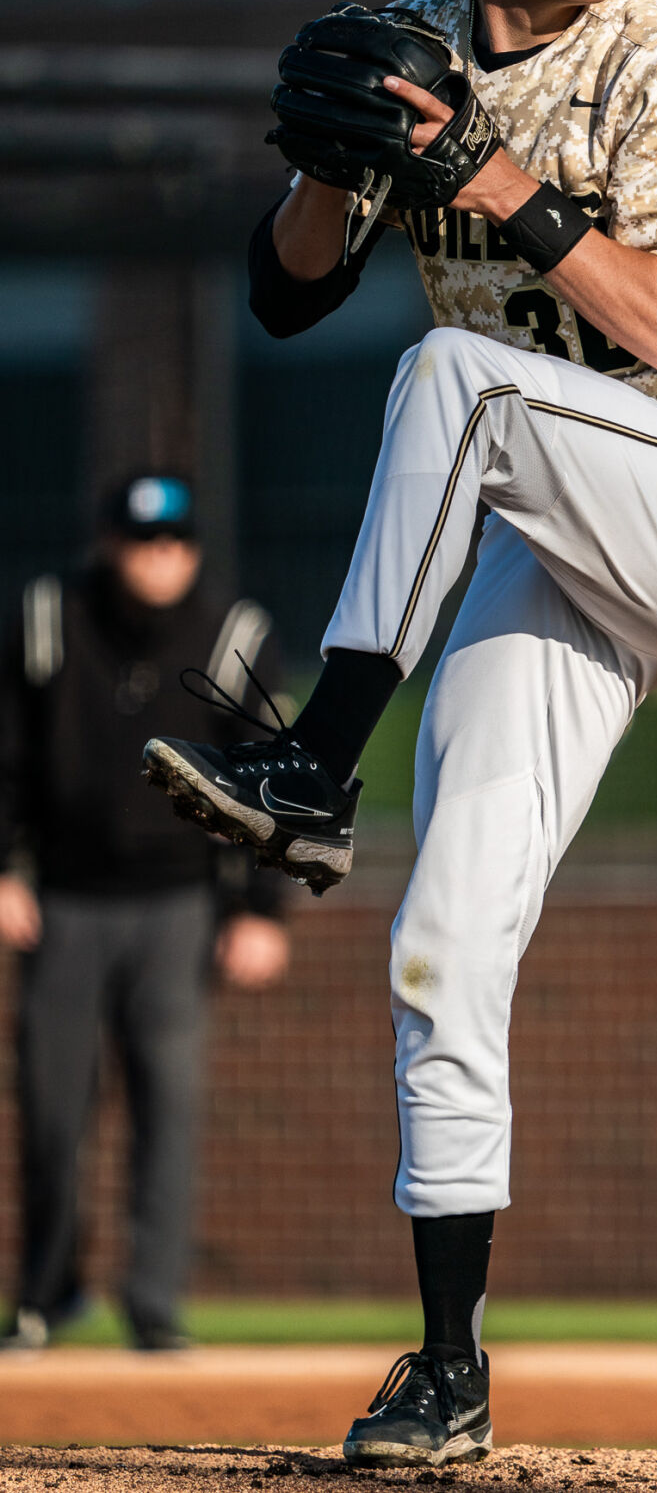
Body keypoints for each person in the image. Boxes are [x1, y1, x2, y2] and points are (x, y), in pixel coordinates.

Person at [143, 0, 657, 1463]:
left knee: (461, 366)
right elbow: (287, 300)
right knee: (444, 936)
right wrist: (322, 168)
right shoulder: (417, 50)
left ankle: (314, 762)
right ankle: (448, 1363)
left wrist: (498, 184)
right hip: (552, 533)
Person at [0, 475, 290, 1351]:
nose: (156, 560)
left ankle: (155, 1303)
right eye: (138, 543)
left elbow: (270, 779)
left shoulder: (236, 633)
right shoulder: (49, 618)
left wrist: (262, 909)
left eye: (171, 544)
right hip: (63, 901)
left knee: (169, 1103)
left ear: (192, 549)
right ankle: (49, 1293)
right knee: (51, 1106)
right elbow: (6, 753)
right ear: (107, 545)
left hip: (179, 904)